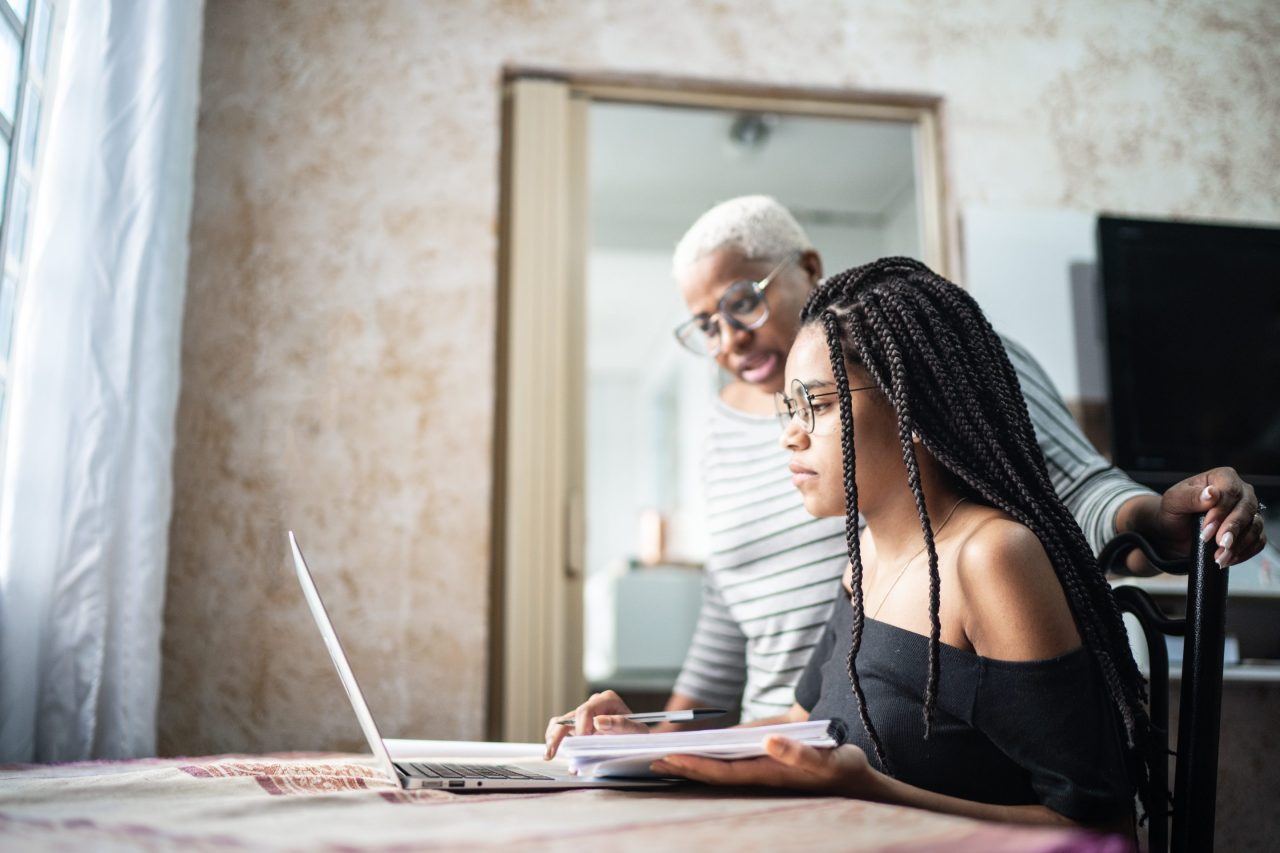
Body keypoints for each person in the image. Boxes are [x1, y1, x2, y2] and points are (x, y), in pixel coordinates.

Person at [550, 259, 1149, 830]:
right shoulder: (863, 557)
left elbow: (1104, 830)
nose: (789, 434)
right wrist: (643, 750)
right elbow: (802, 724)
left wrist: (871, 791)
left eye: (817, 404)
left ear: (911, 406)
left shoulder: (991, 558)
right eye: (789, 407)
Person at [652, 196, 1266, 726]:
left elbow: (1075, 490)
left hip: (913, 742)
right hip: (794, 733)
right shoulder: (716, 433)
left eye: (742, 302)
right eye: (707, 325)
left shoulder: (939, 363)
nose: (729, 336)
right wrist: (659, 733)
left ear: (807, 268)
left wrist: (1156, 523)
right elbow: (727, 607)